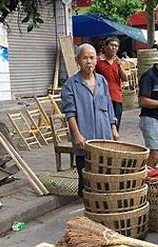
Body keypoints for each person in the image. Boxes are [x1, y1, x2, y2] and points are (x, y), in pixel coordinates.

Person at [61, 43, 120, 197]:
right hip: (84, 137)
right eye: (85, 58)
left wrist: (113, 127)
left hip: (104, 134)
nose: (89, 61)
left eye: (92, 58)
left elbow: (108, 105)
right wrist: (77, 135)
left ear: (96, 60)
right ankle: (86, 208)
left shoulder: (102, 81)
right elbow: (70, 113)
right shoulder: (70, 85)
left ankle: (102, 203)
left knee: (104, 172)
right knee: (86, 176)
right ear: (77, 60)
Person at [95, 37, 128, 130]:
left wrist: (120, 66)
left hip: (116, 97)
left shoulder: (118, 62)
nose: (114, 48)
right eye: (111, 45)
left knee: (115, 126)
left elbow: (125, 78)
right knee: (104, 125)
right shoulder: (97, 61)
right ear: (105, 47)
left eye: (116, 46)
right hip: (102, 97)